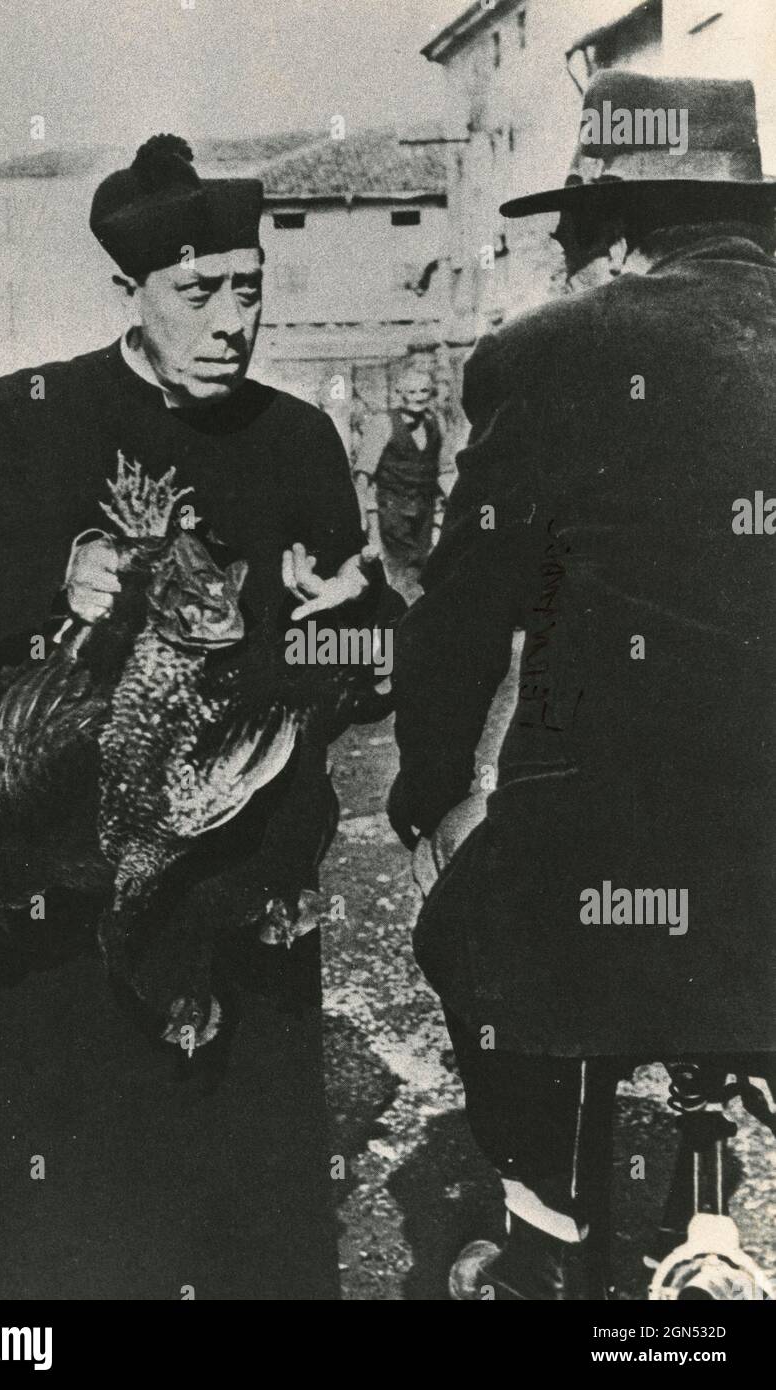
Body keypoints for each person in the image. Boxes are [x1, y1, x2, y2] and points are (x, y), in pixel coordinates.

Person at [0, 133, 382, 1301]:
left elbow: (367, 651)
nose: (232, 321)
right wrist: (49, 578)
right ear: (129, 289)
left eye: (250, 290)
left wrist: (352, 619)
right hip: (65, 866)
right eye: (198, 291)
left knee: (244, 1189)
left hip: (244, 861)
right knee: (57, 1202)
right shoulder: (29, 416)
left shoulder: (297, 437)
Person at [389, 72, 776, 1300]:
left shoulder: (555, 353)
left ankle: (547, 1224)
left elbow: (461, 611)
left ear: (612, 229)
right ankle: (707, 1198)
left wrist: (432, 786)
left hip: (606, 824)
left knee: (469, 931)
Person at [353, 367, 446, 603]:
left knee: (421, 563)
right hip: (392, 509)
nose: (418, 396)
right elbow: (363, 474)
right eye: (412, 391)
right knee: (399, 567)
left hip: (423, 508)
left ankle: (413, 617)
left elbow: (442, 468)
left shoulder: (435, 422)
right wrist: (363, 516)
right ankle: (401, 620)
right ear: (399, 393)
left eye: (424, 390)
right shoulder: (383, 423)